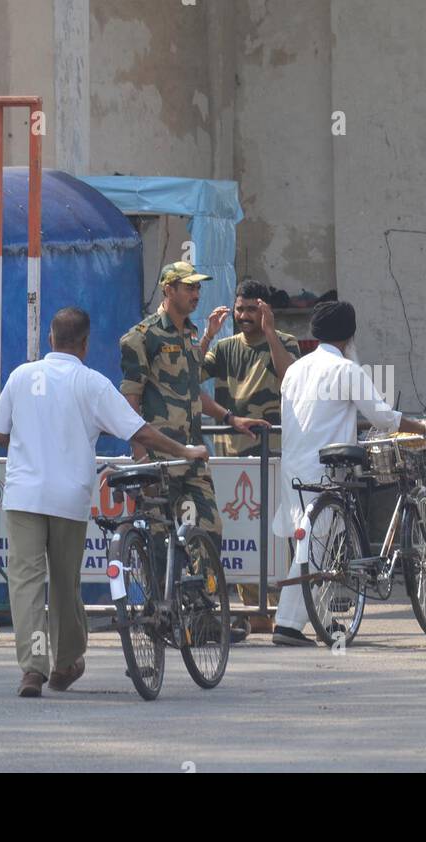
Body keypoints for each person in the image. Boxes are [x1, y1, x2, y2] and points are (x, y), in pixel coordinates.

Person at [0, 306, 209, 698]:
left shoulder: (21, 376)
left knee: (25, 583)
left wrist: (29, 446)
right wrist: (184, 449)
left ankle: (32, 669)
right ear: (86, 344)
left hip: (23, 495)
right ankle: (65, 662)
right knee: (63, 582)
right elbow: (138, 429)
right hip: (68, 497)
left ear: (50, 340)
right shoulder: (91, 383)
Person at [271, 300, 426, 646]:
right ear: (349, 336)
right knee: (317, 550)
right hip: (327, 467)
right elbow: (383, 417)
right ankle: (287, 625)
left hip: (292, 465)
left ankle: (321, 618)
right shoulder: (346, 370)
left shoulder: (295, 370)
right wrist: (423, 428)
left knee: (312, 546)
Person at [118, 262, 269, 642]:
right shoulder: (140, 338)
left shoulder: (190, 333)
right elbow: (130, 403)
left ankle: (203, 614)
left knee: (210, 528)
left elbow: (192, 388)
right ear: (168, 289)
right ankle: (157, 614)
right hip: (159, 456)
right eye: (189, 288)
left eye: (198, 289)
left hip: (193, 454)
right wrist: (139, 459)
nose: (196, 295)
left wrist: (230, 418)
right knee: (157, 534)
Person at [199, 278, 301, 457]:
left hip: (271, 451)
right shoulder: (224, 347)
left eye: (252, 310)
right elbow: (190, 376)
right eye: (239, 309)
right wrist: (207, 336)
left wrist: (269, 330)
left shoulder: (285, 342)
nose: (244, 316)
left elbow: (289, 377)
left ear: (266, 310)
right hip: (228, 452)